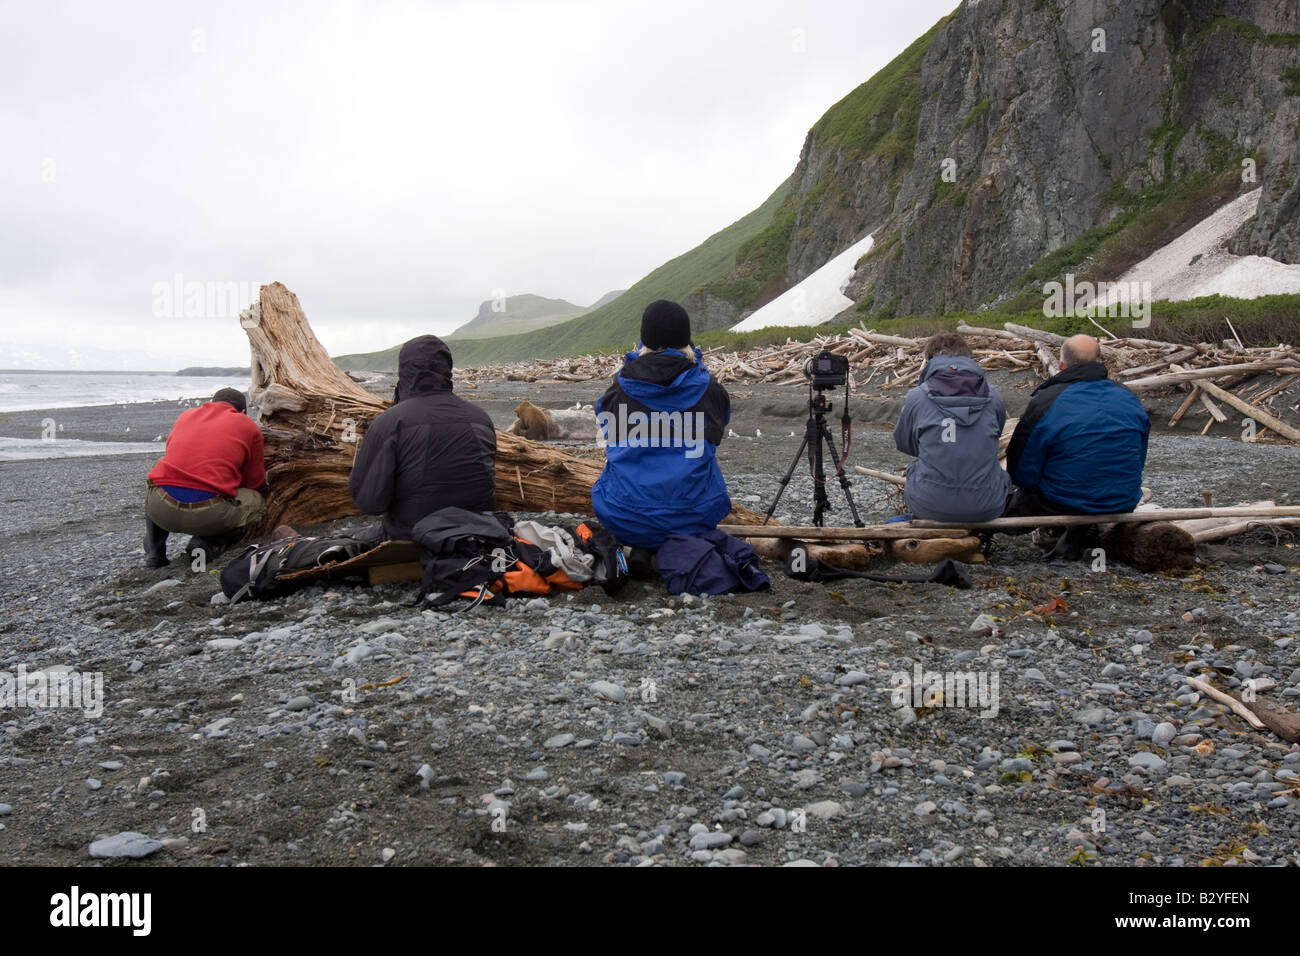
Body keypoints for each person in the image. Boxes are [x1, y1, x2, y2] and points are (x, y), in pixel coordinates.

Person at [591, 300, 731, 557]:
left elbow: (604, 426)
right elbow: (721, 426)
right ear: (685, 338)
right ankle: (673, 541)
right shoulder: (710, 389)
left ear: (645, 339)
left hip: (623, 518)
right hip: (693, 521)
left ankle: (644, 542)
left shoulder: (619, 388)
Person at [1005, 333, 1150, 558]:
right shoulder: (1129, 397)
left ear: (1061, 365)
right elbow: (1139, 455)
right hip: (1122, 500)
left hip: (1062, 501)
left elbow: (1022, 467)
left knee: (1014, 502)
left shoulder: (1047, 401)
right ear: (1100, 362)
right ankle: (1078, 532)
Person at [348, 334, 497, 541]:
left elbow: (369, 502)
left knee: (345, 540)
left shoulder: (390, 422)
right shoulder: (480, 418)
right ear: (447, 369)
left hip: (413, 537)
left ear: (405, 371)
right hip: (480, 532)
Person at [892, 332, 1010, 522]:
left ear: (929, 360)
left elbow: (905, 444)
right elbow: (995, 438)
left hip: (929, 506)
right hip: (988, 506)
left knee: (914, 467)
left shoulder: (917, 397)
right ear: (968, 358)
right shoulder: (993, 397)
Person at [144, 387, 267, 567]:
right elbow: (254, 482)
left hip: (161, 509)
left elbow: (172, 455)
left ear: (210, 403)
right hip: (207, 515)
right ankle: (206, 540)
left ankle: (155, 551)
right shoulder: (247, 425)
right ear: (243, 412)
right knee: (257, 501)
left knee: (158, 472)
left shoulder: (185, 416)